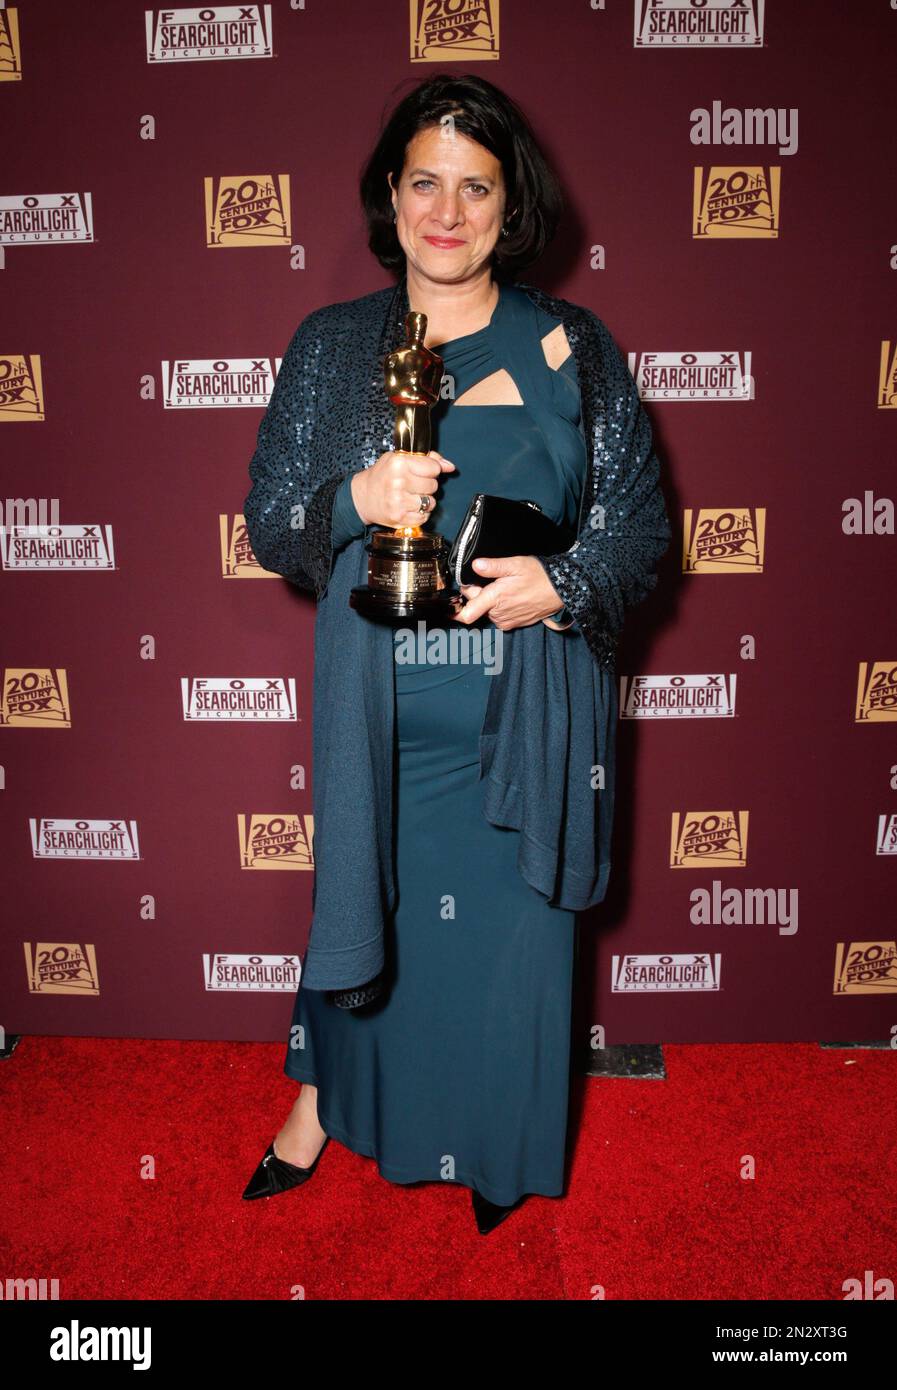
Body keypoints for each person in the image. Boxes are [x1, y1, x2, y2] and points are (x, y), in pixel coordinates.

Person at [241, 73, 671, 1234]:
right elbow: (272, 523)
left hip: (525, 704)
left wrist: (565, 582)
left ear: (509, 203)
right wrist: (350, 496)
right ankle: (323, 1105)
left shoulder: (573, 348)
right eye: (424, 180)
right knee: (365, 908)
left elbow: (640, 530)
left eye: (475, 185)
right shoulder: (334, 347)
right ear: (390, 194)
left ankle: (491, 1136)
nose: (448, 208)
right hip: (377, 708)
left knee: (509, 940)